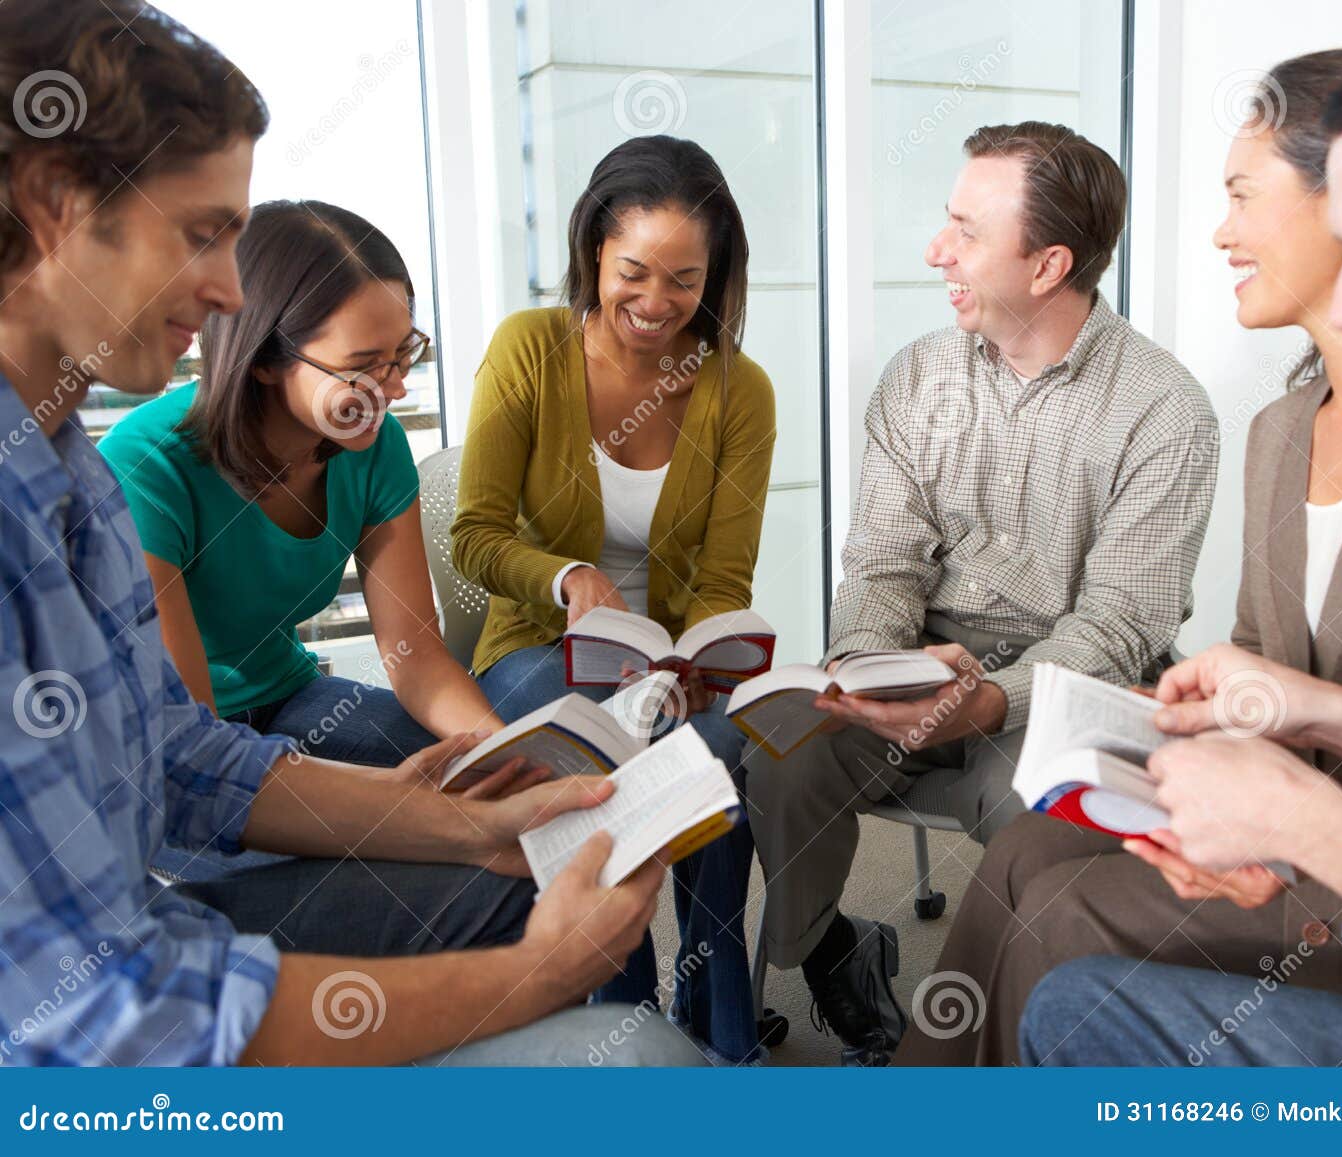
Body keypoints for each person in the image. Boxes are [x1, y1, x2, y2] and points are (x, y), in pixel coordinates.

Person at [0, 0, 698, 1068]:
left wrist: (467, 811)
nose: (228, 288)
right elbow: (102, 1020)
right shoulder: (130, 468)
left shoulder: (67, 472)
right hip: (99, 1046)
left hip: (200, 830)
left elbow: (184, 754)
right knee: (638, 1059)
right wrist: (535, 973)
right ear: (54, 205)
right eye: (200, 233)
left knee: (444, 791)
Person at [896, 50, 1342, 1066]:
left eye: (1243, 196)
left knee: (1067, 910)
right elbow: (1260, 653)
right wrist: (1182, 732)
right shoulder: (1282, 431)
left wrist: (1292, 812)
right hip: (1276, 807)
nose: (1220, 230)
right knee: (1027, 838)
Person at [743, 121, 1219, 1065]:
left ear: (1047, 265)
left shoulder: (1166, 412)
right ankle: (831, 947)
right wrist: (873, 670)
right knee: (780, 752)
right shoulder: (917, 375)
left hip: (1059, 694)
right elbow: (880, 561)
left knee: (1036, 827)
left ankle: (1003, 1048)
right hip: (920, 664)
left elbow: (1119, 625)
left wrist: (991, 700)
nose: (936, 250)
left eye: (965, 230)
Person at [453, 135, 776, 1063]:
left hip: (672, 662)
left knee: (719, 757)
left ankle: (723, 1030)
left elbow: (724, 578)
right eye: (634, 271)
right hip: (533, 648)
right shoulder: (529, 350)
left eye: (684, 279)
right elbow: (475, 534)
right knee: (614, 749)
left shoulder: (737, 390)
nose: (655, 303)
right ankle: (622, 1011)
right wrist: (566, 577)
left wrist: (684, 666)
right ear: (594, 246)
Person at [99, 200, 512, 882]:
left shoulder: (372, 445)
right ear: (264, 360)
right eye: (365, 365)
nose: (396, 388)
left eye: (404, 353)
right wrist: (384, 809)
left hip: (290, 699)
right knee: (386, 863)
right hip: (179, 756)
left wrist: (499, 748)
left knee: (487, 790)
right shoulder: (148, 463)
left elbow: (412, 654)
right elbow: (194, 742)